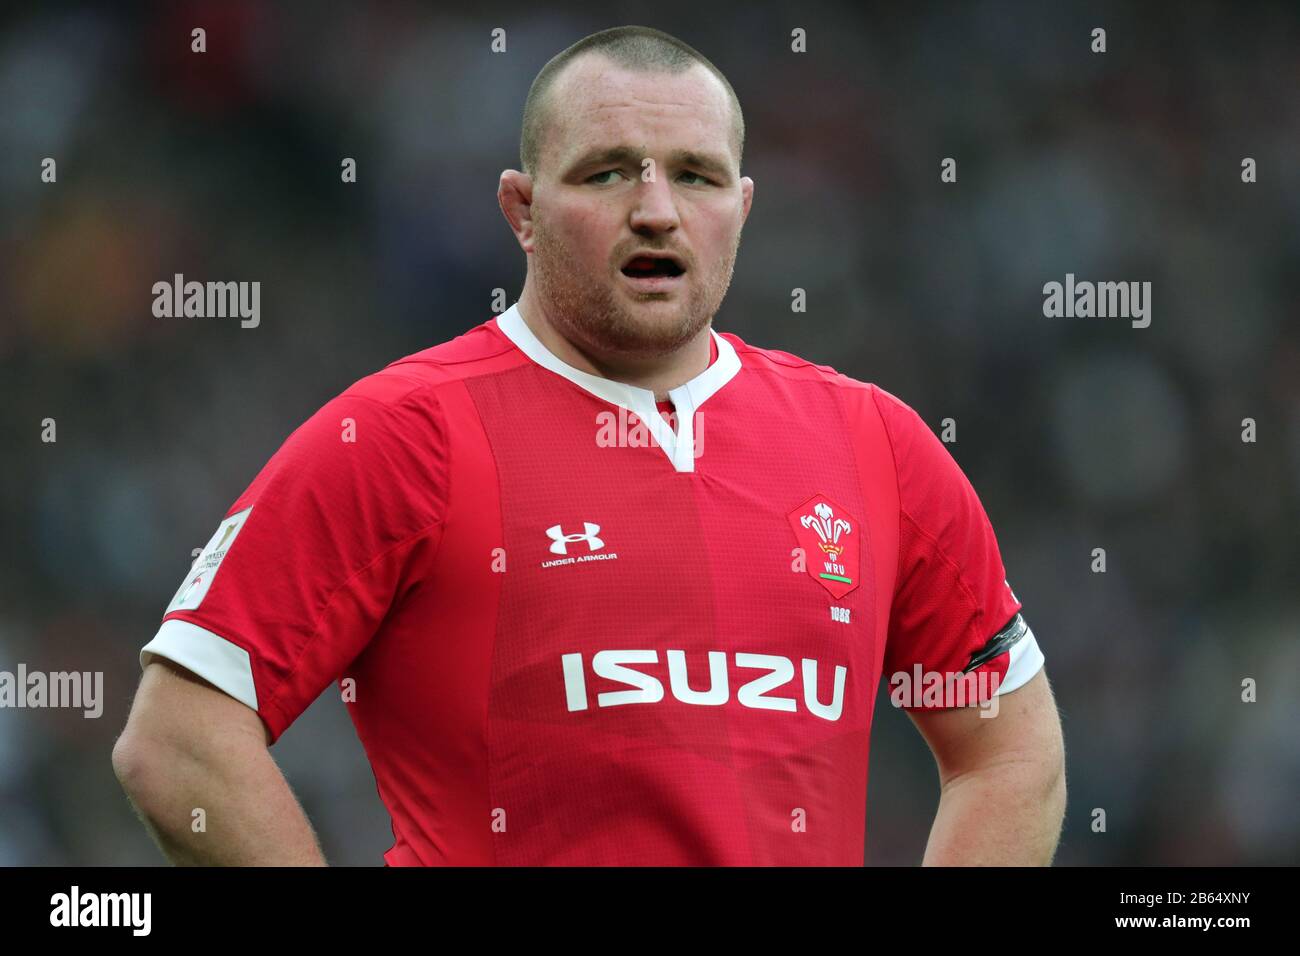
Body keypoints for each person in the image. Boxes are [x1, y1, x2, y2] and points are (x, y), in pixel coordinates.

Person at [113, 25, 1065, 866]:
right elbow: (178, 738)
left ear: (741, 207)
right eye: (608, 171)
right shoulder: (405, 434)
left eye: (693, 175)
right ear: (521, 211)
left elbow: (1011, 751)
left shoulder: (873, 443)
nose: (657, 209)